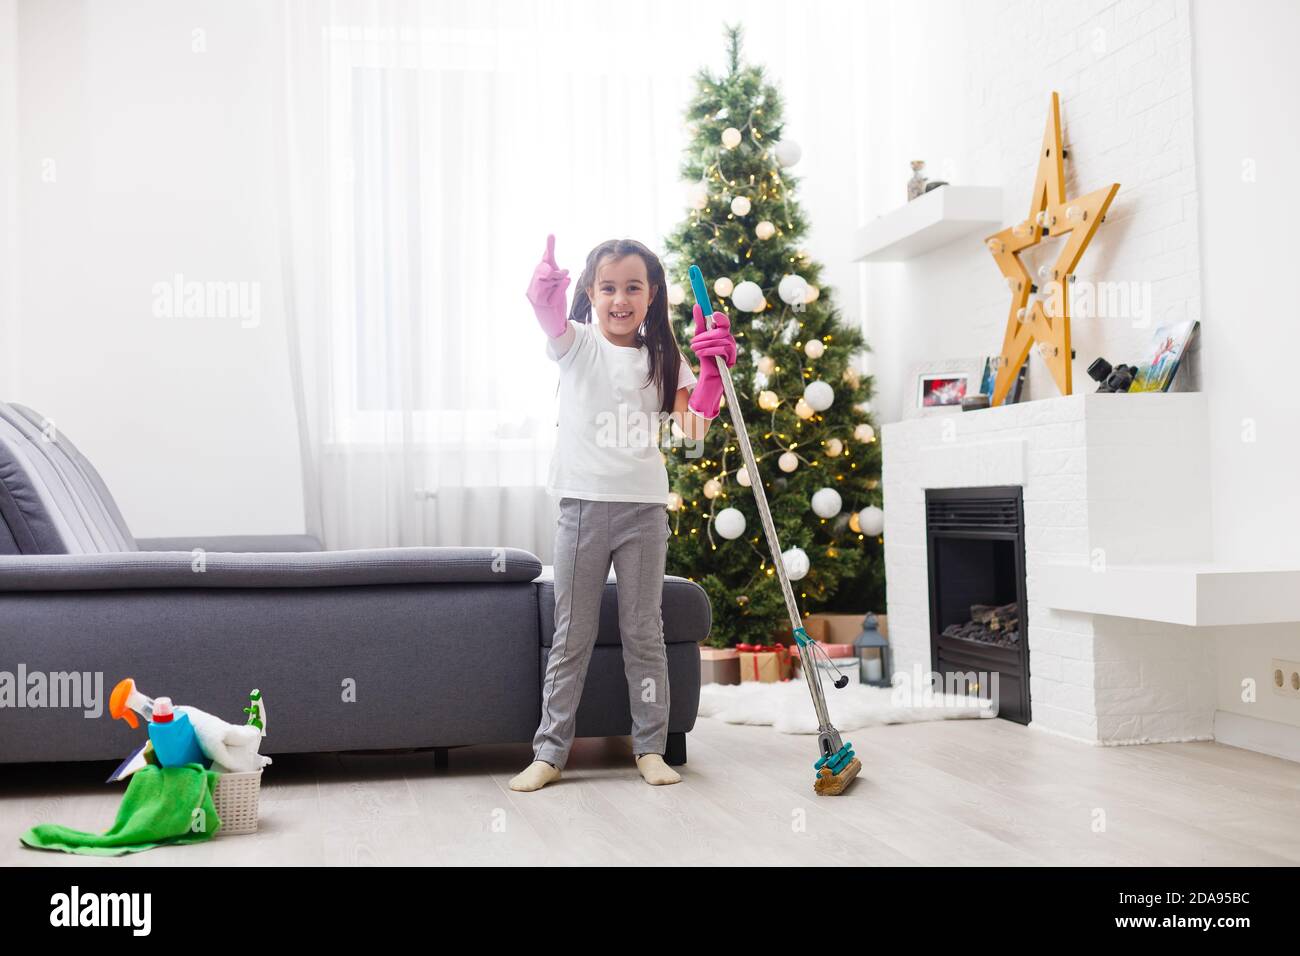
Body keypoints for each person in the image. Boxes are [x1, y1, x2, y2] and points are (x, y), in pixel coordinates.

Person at [510, 234, 736, 791]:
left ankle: (651, 748)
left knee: (643, 632)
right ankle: (550, 752)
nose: (620, 298)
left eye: (633, 287)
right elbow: (550, 321)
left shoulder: (664, 356)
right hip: (583, 507)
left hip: (643, 510)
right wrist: (543, 297)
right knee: (572, 633)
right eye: (608, 287)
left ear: (652, 294)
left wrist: (712, 373)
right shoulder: (578, 343)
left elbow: (695, 427)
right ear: (590, 291)